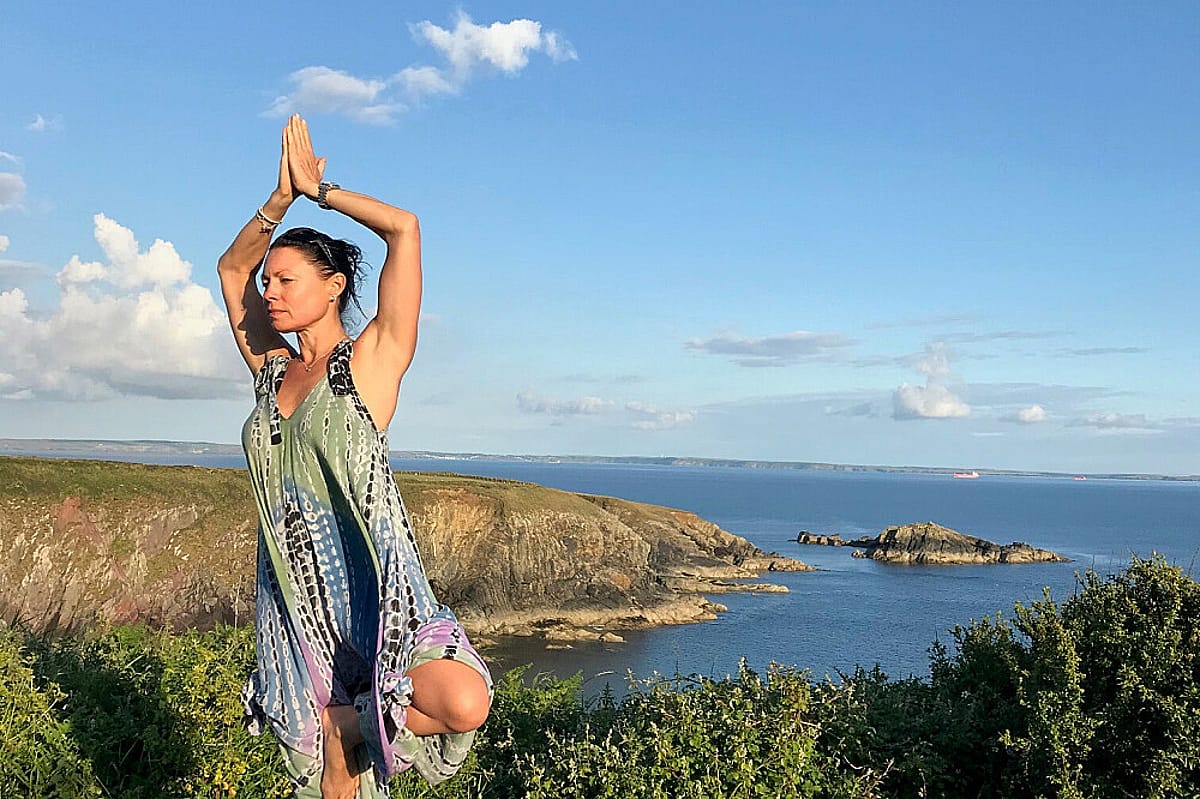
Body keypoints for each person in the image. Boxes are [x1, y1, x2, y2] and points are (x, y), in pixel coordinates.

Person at [218, 115, 492, 799]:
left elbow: (404, 227)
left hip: (376, 596)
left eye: (284, 279)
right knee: (333, 787)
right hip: (297, 606)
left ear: (335, 283)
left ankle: (355, 717)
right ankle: (342, 731)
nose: (270, 292)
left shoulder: (367, 363)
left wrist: (318, 190)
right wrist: (276, 202)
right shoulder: (270, 371)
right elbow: (230, 269)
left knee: (463, 700)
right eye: (270, 283)